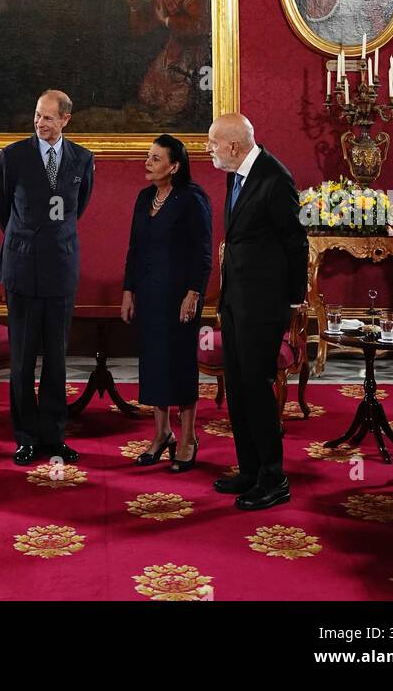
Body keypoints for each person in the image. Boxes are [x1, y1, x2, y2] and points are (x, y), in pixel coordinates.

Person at [208, 113, 308, 511]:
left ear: (234, 145)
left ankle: (273, 478)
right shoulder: (235, 174)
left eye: (213, 143)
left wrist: (294, 300)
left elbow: (295, 241)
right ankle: (249, 470)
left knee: (256, 389)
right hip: (237, 301)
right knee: (237, 387)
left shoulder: (275, 178)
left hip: (264, 305)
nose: (209, 149)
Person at [0, 89, 94, 465]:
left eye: (48, 117)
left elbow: (76, 209)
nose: (40, 123)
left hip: (61, 270)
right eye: (37, 115)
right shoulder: (13, 156)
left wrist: (52, 241)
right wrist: (26, 241)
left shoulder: (82, 159)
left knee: (56, 358)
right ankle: (26, 438)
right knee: (21, 360)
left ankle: (54, 436)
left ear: (66, 119)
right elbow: (2, 208)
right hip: (21, 268)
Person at [121, 135, 212, 472]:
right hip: (148, 295)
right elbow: (134, 248)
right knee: (154, 364)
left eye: (156, 158)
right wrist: (128, 291)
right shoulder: (144, 197)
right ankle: (162, 434)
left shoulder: (192, 198)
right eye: (148, 156)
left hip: (180, 297)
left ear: (174, 166)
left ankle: (188, 438)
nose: (148, 163)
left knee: (180, 364)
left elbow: (203, 252)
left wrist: (194, 293)